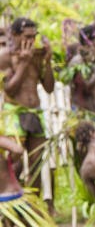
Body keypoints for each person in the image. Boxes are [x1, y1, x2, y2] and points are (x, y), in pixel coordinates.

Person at [0, 18, 55, 207]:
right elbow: (9, 90)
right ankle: (9, 209)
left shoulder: (37, 55)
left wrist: (47, 62)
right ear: (14, 36)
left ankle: (33, 208)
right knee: (13, 161)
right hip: (14, 112)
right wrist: (23, 64)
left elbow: (48, 88)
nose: (31, 41)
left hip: (35, 112)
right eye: (26, 37)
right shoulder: (5, 56)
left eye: (34, 37)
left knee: (37, 163)